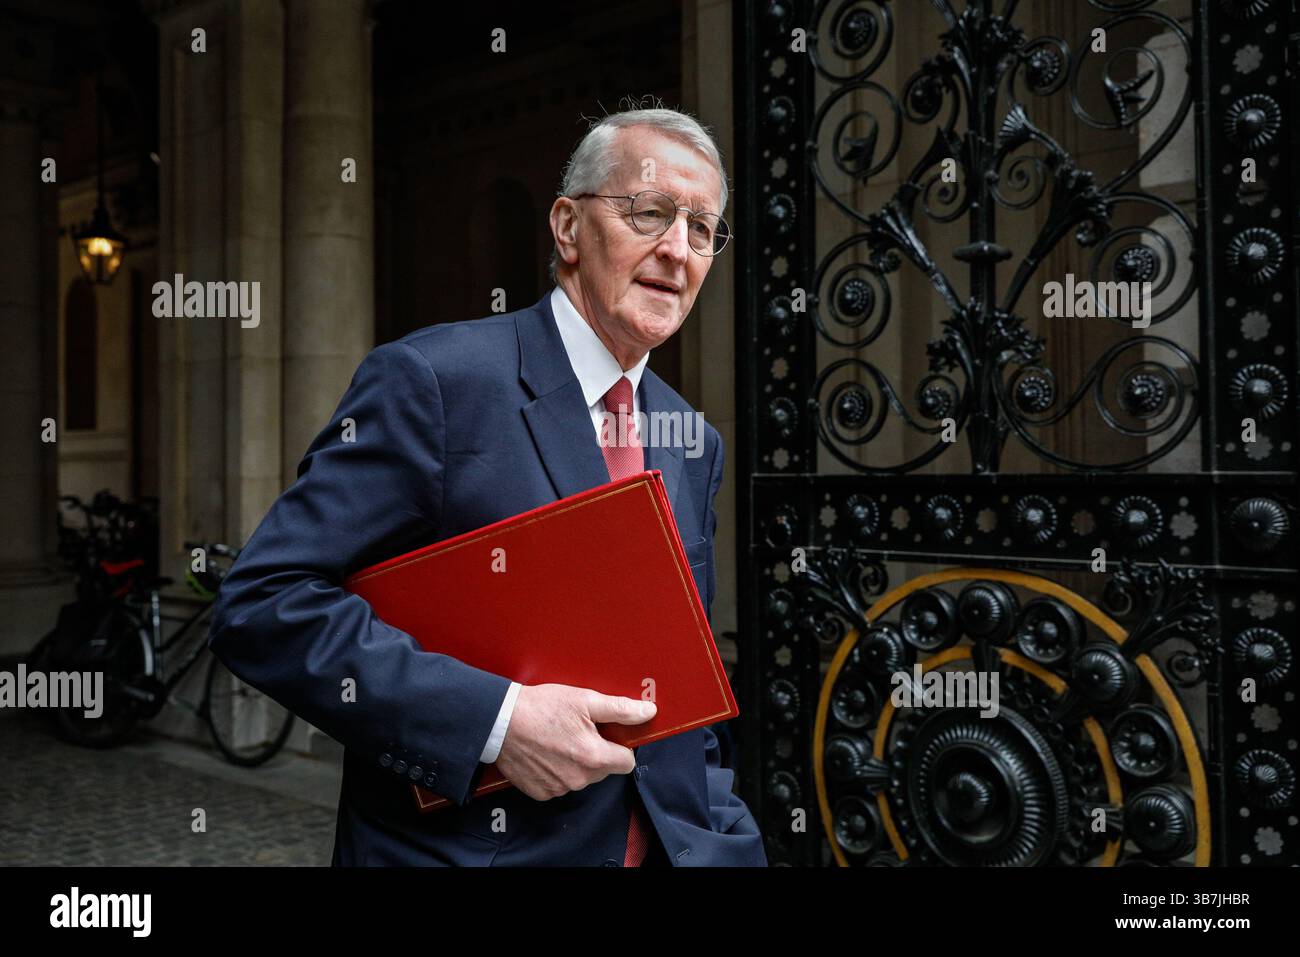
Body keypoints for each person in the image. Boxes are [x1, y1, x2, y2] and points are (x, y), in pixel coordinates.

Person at [209, 105, 767, 867]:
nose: (678, 249)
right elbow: (263, 603)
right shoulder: (435, 382)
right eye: (650, 211)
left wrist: (727, 841)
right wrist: (496, 723)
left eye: (703, 229)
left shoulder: (692, 438)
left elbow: (679, 682)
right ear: (567, 227)